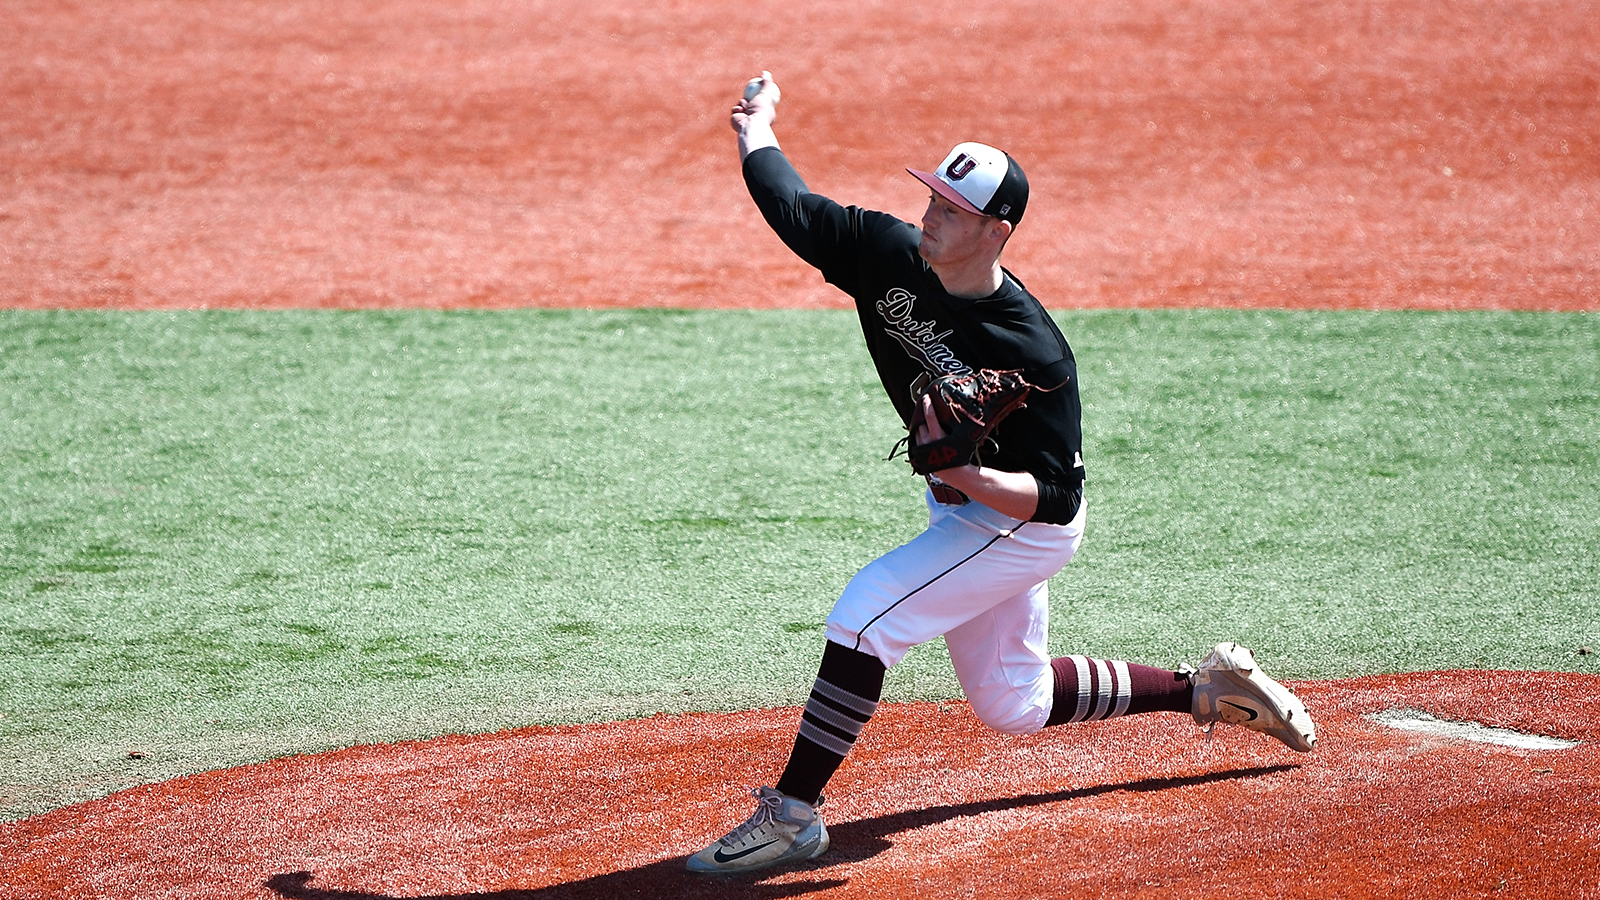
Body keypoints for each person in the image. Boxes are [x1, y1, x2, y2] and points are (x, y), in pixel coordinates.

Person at [686, 72, 1317, 876]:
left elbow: (1058, 501)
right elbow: (793, 206)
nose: (930, 217)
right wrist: (756, 128)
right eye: (931, 200)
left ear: (997, 231)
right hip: (965, 508)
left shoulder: (1034, 349)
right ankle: (1206, 688)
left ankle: (791, 816)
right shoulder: (888, 255)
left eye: (952, 211)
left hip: (1021, 528)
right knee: (1012, 703)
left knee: (865, 617)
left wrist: (964, 472)